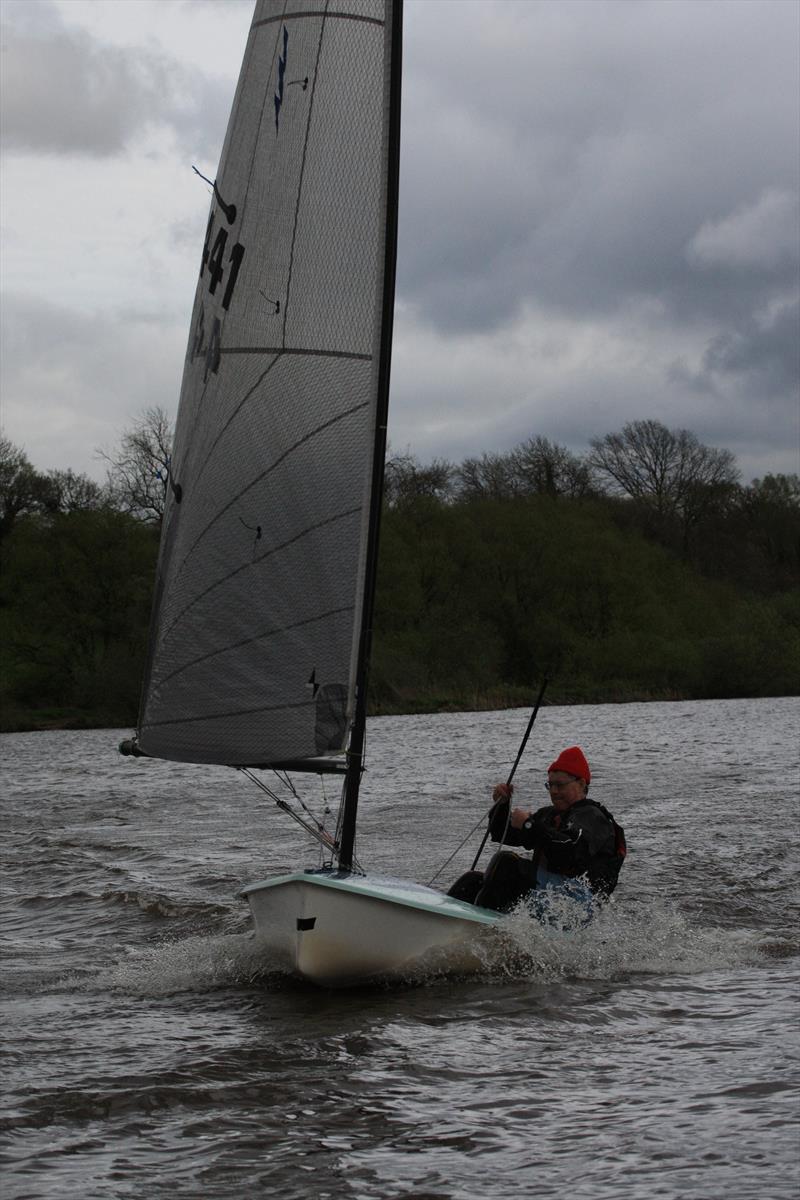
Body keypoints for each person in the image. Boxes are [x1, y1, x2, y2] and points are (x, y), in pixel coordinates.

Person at [448, 746, 625, 916]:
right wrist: (501, 807)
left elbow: (569, 851)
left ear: (580, 783)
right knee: (472, 881)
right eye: (550, 785)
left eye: (560, 785)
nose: (554, 791)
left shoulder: (592, 817)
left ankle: (479, 927)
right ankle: (444, 917)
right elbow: (501, 834)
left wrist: (528, 825)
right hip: (550, 892)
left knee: (506, 863)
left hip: (578, 904)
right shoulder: (548, 815)